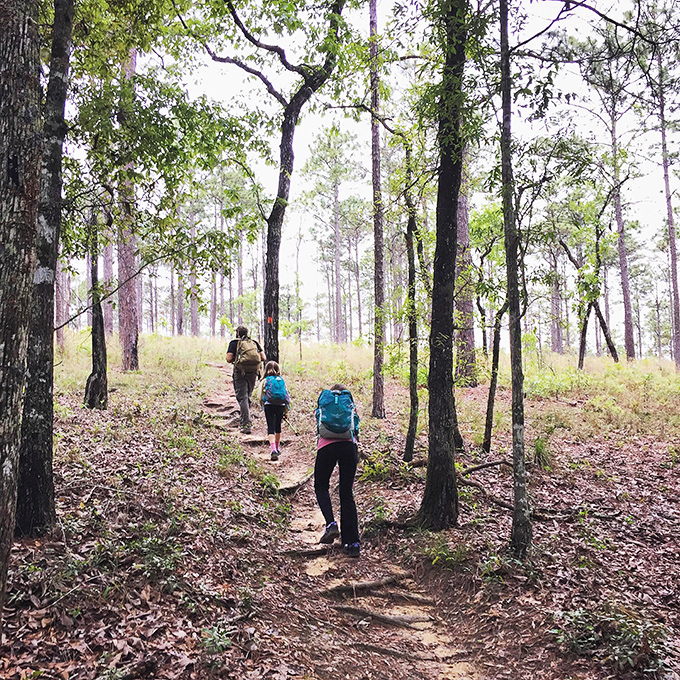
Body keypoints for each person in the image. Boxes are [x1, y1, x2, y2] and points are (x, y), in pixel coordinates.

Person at [314, 383, 361, 557]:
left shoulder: (325, 402)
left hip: (326, 446)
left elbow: (318, 423)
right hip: (349, 447)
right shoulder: (349, 404)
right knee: (346, 493)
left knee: (320, 486)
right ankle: (352, 543)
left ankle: (331, 524)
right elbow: (355, 427)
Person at [226, 325, 266, 434]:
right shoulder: (254, 342)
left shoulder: (234, 343)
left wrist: (238, 359)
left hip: (240, 373)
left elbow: (228, 359)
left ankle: (246, 424)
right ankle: (246, 418)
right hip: (253, 373)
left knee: (242, 397)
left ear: (238, 333)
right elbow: (263, 358)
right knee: (247, 396)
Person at [256, 361, 291, 461]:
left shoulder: (265, 381)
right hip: (280, 406)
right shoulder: (281, 380)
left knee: (270, 427)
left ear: (266, 370)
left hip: (269, 406)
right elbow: (286, 397)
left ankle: (273, 450)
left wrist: (262, 405)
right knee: (278, 427)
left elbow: (260, 396)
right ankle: (278, 447)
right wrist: (286, 411)